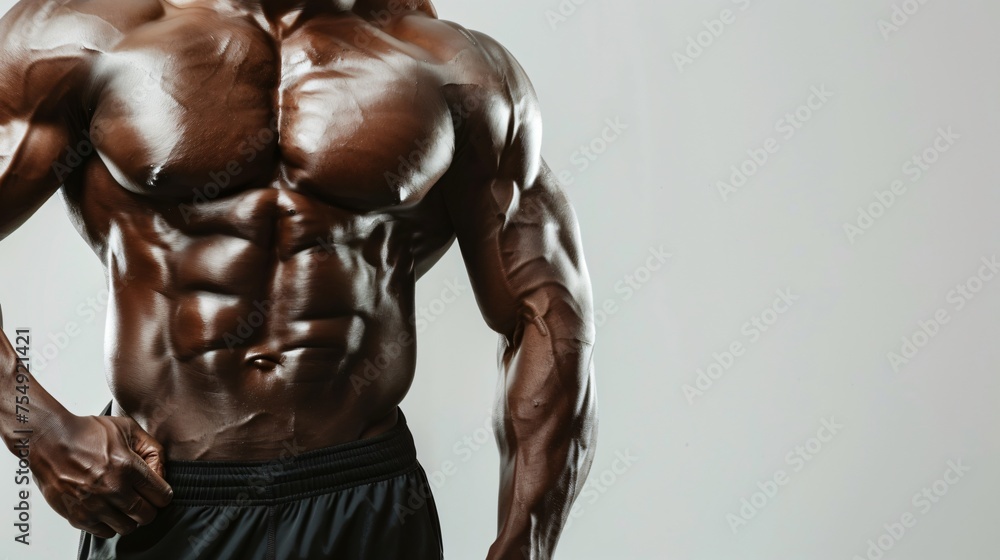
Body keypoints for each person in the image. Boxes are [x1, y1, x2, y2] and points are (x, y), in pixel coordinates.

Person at [0, 0, 597, 558]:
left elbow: (546, 313)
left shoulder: (450, 67)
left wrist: (522, 548)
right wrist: (40, 431)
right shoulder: (85, 37)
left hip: (362, 498)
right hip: (157, 495)